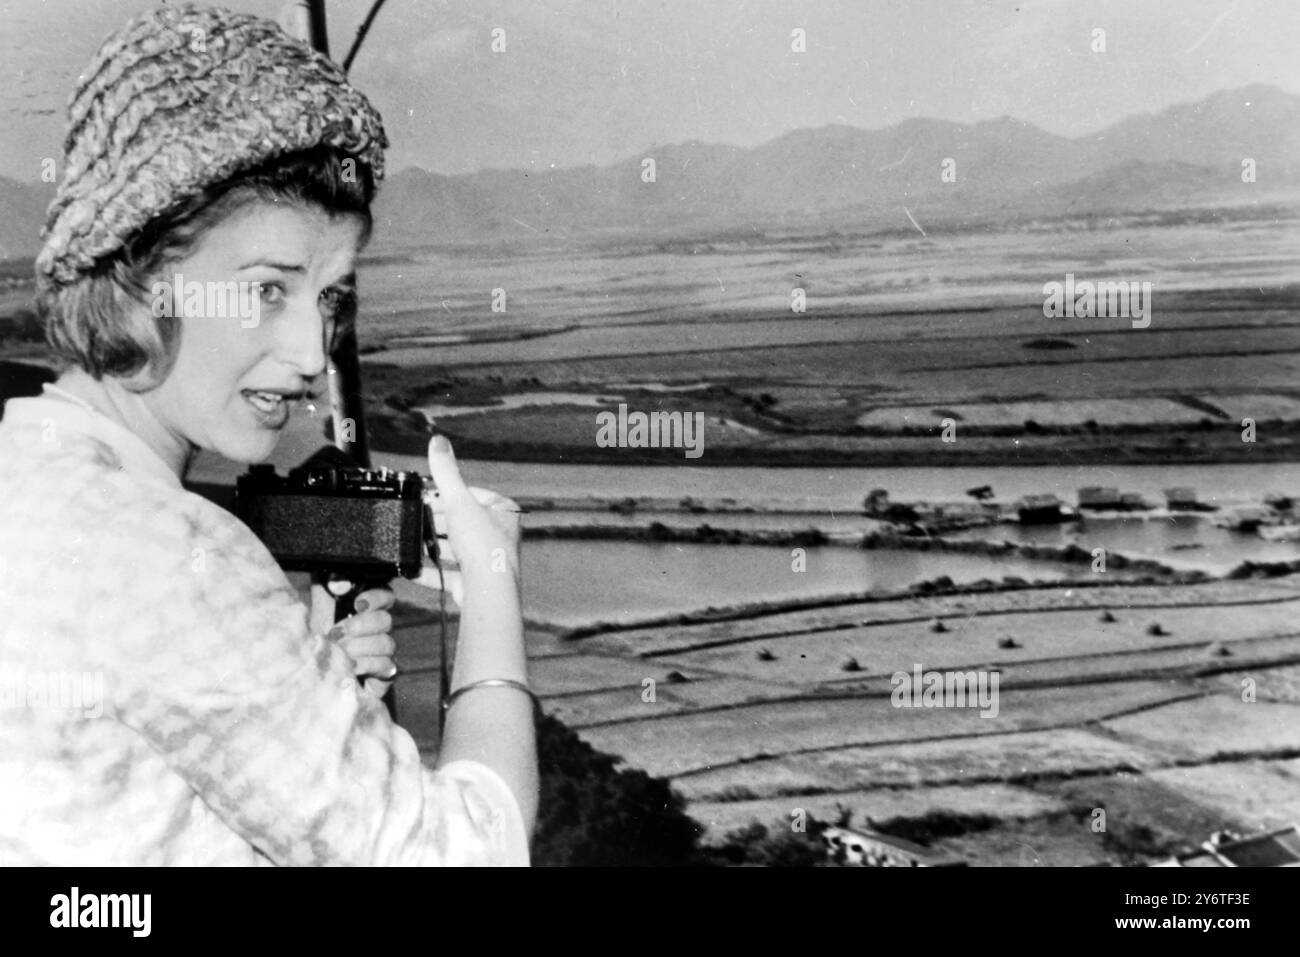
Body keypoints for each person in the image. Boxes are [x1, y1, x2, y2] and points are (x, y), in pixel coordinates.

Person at [0, 4, 537, 865]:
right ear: (142, 279)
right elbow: (463, 854)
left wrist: (296, 691)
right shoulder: (169, 554)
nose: (312, 354)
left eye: (330, 298)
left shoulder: (28, 469)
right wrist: (495, 593)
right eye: (265, 289)